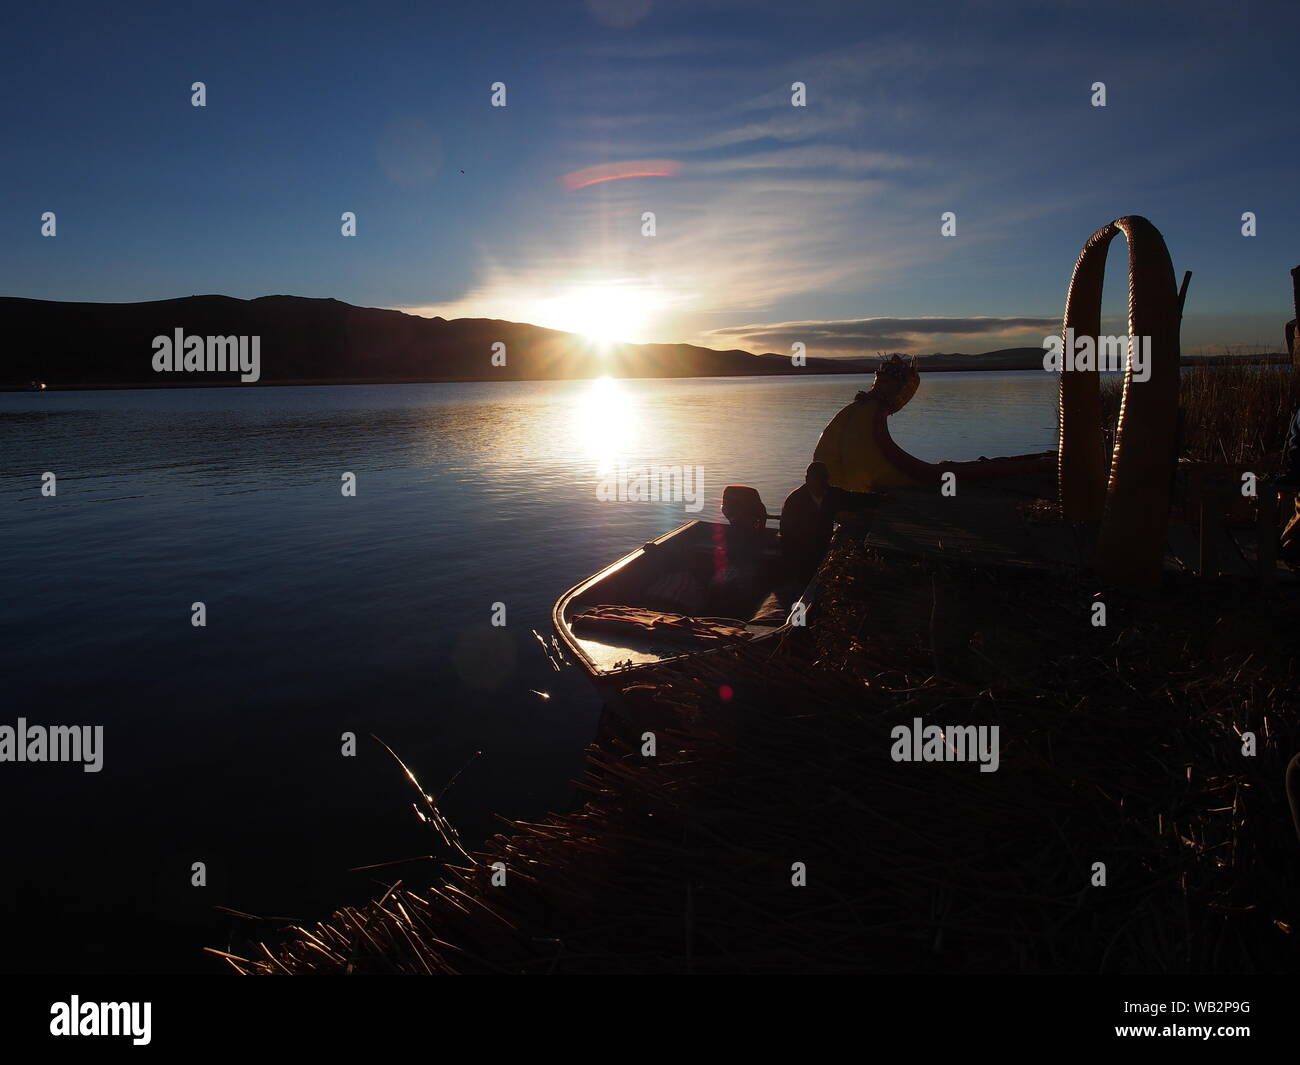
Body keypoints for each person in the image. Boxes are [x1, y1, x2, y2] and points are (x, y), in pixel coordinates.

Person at [780, 461, 878, 581]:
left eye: (824, 479)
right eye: (817, 479)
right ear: (807, 479)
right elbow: (786, 532)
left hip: (824, 547)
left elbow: (855, 499)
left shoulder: (833, 494)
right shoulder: (794, 501)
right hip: (800, 552)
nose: (821, 483)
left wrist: (881, 499)